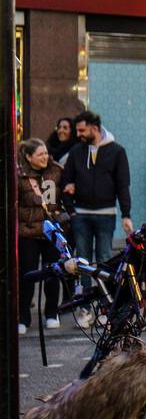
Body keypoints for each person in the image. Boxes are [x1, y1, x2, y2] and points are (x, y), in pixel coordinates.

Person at [63, 111, 132, 303]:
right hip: (81, 215)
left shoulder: (117, 151)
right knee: (83, 262)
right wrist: (71, 211)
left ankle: (105, 304)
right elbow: (66, 180)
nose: (79, 134)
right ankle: (85, 306)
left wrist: (126, 214)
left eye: (82, 130)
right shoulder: (77, 151)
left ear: (95, 128)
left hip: (105, 214)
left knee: (104, 260)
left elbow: (122, 184)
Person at [17, 139, 66, 333]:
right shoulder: (20, 176)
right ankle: (23, 317)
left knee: (53, 274)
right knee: (27, 275)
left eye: (46, 153)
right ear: (29, 157)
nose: (45, 157)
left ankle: (51, 313)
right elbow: (16, 205)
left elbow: (62, 199)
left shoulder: (56, 171)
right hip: (28, 233)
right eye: (40, 154)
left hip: (51, 232)